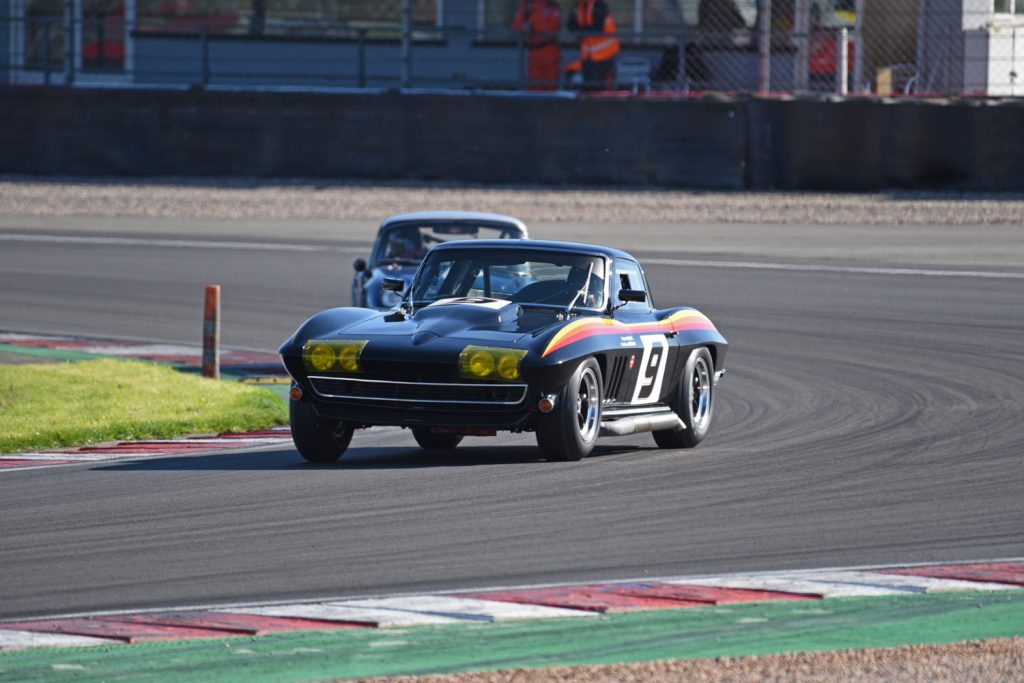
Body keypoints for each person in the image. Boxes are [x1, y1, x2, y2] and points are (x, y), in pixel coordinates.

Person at [565, 0, 620, 91]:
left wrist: (581, 31)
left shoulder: (599, 5)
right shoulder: (579, 6)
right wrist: (582, 31)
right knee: (588, 84)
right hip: (588, 55)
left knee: (598, 84)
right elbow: (571, 25)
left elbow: (597, 28)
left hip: (604, 54)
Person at [511, 0, 562, 91]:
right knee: (534, 85)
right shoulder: (527, 5)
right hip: (534, 51)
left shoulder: (551, 6)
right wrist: (523, 27)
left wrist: (533, 28)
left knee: (550, 85)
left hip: (549, 50)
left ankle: (551, 104)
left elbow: (553, 28)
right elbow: (516, 23)